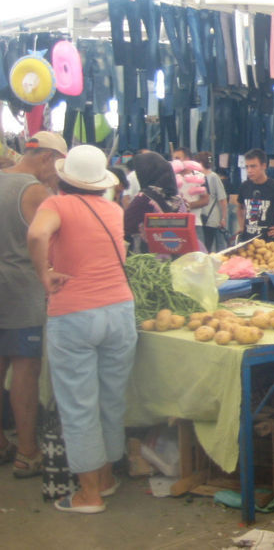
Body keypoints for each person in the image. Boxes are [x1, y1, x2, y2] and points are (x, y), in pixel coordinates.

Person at [26, 145, 135, 513]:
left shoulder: (55, 205)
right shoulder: (114, 209)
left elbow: (37, 236)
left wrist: (44, 275)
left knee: (79, 404)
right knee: (110, 400)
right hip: (120, 311)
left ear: (64, 176)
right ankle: (104, 479)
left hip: (75, 313)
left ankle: (88, 495)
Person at [0, 131, 67, 478]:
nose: (57, 175)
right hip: (19, 291)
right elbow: (49, 241)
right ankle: (28, 452)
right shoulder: (34, 191)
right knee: (25, 371)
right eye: (58, 167)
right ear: (46, 158)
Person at [123, 152, 188, 252]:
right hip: (176, 254)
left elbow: (126, 226)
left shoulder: (144, 199)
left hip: (148, 258)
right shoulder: (179, 199)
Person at [194, 151, 228, 252]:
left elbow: (223, 200)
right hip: (202, 218)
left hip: (211, 218)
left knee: (207, 246)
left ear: (200, 162)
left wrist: (223, 218)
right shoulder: (198, 176)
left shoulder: (213, 177)